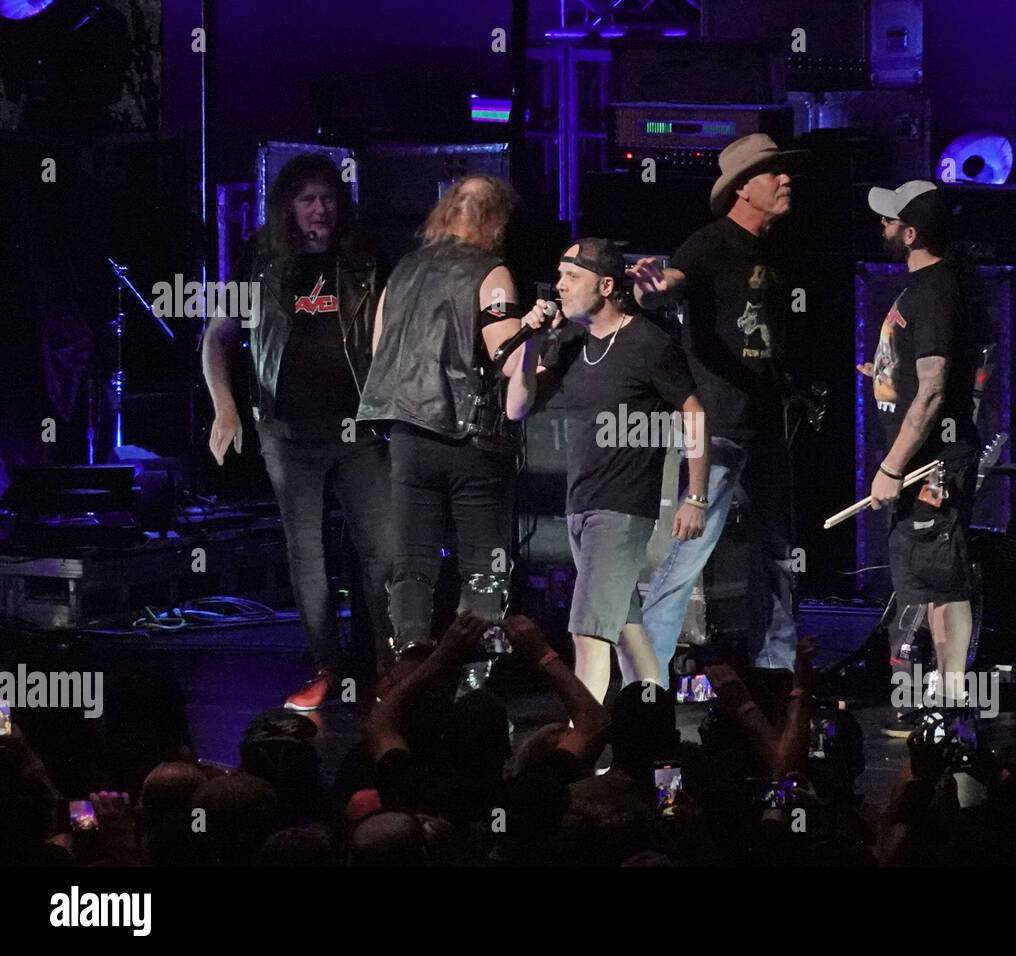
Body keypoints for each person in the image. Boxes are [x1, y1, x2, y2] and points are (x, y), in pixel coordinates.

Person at [202, 152, 393, 711]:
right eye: (308, 199)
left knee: (380, 552)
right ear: (288, 206)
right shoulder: (262, 261)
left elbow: (392, 333)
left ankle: (386, 667)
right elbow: (217, 336)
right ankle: (326, 667)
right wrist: (225, 407)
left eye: (328, 198)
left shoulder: (362, 258)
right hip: (287, 434)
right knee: (306, 554)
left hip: (358, 432)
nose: (320, 209)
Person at [626, 133, 805, 685]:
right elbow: (668, 286)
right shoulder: (709, 243)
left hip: (767, 426)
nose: (785, 179)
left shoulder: (776, 252)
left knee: (776, 555)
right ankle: (646, 679)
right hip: (721, 426)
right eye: (772, 172)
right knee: (690, 553)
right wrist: (651, 288)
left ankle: (774, 671)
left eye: (784, 171)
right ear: (740, 189)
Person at [506, 238, 709, 702]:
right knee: (624, 629)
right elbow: (517, 406)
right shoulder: (572, 344)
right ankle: (653, 731)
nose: (560, 287)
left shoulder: (648, 342)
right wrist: (533, 341)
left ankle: (584, 745)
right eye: (558, 276)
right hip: (582, 505)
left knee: (588, 634)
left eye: (572, 277)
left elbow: (693, 412)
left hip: (620, 510)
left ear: (607, 285)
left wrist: (695, 496)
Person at [356, 176, 525, 656]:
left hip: (408, 434)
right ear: (497, 220)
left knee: (412, 563)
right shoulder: (491, 273)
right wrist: (542, 340)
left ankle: (411, 663)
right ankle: (471, 680)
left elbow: (379, 351)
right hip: (471, 437)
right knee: (483, 565)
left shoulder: (403, 270)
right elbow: (506, 355)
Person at [858, 180, 980, 730]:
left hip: (932, 463)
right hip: (917, 460)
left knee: (942, 577)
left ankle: (952, 698)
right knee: (923, 579)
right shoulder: (924, 287)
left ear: (911, 233)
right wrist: (887, 375)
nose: (880, 227)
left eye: (889, 221)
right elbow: (918, 379)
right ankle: (937, 699)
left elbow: (934, 389)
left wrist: (891, 467)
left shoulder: (934, 291)